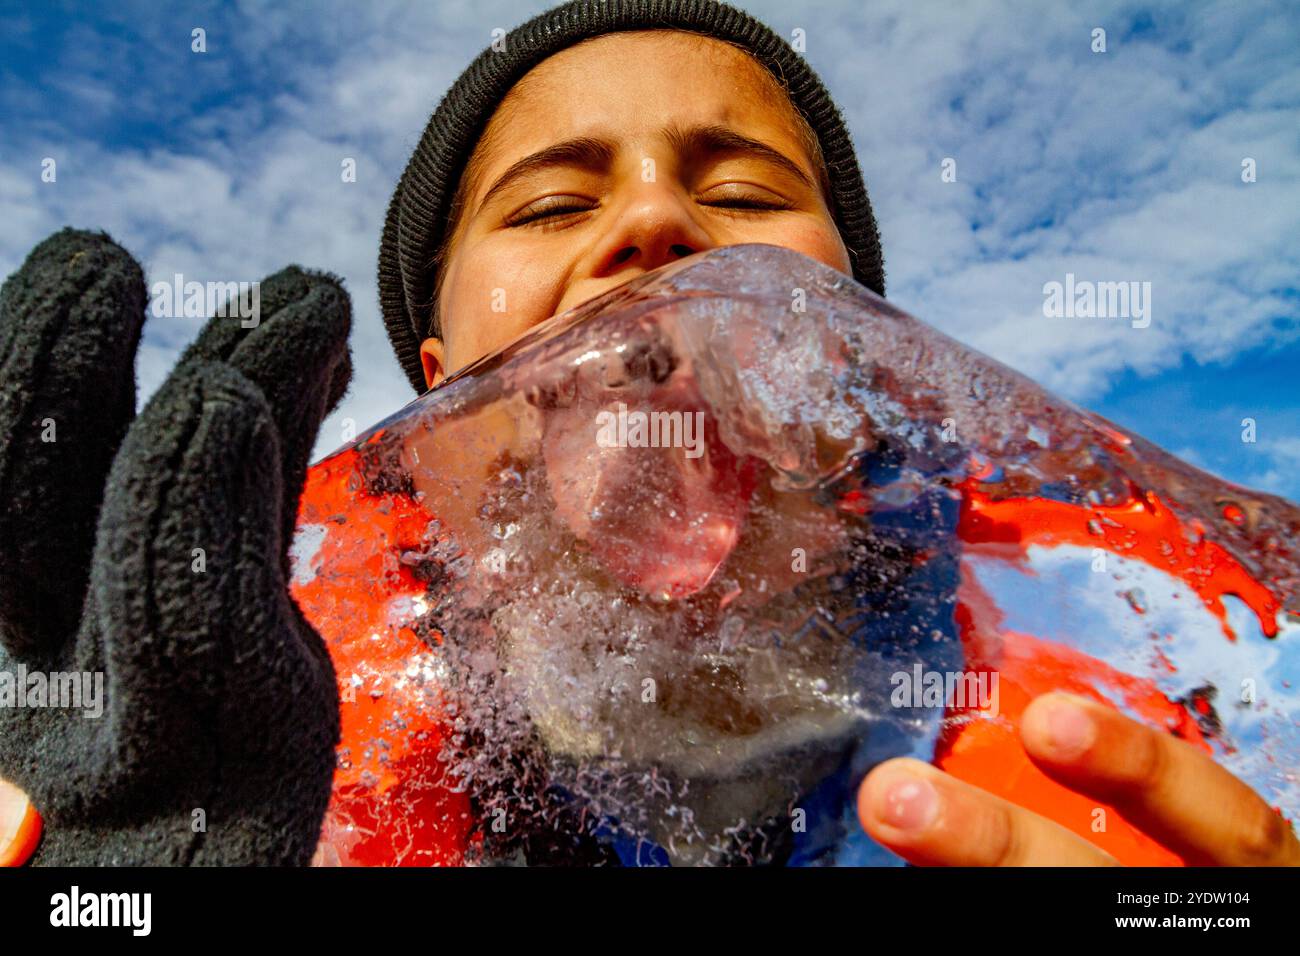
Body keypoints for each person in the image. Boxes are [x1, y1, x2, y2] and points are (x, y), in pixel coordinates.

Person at [1, 0, 1295, 866]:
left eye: (741, 192)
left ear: (862, 367)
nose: (654, 225)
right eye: (554, 202)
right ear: (435, 402)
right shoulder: (219, 731)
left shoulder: (1159, 702)